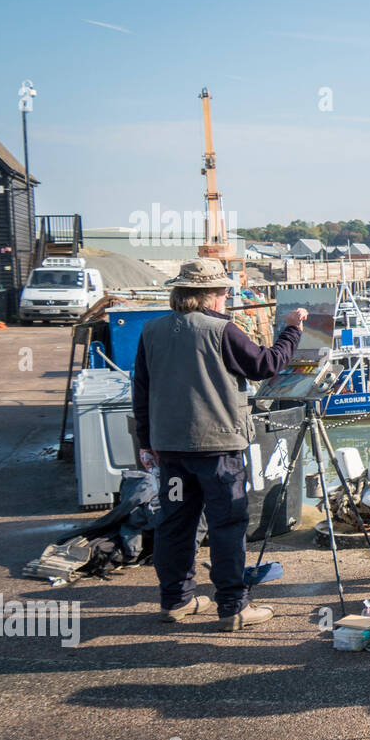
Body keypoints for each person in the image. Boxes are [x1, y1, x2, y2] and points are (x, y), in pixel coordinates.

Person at [133, 258, 307, 630]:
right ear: (209, 296)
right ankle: (233, 607)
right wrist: (293, 331)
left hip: (171, 451)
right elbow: (266, 364)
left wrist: (146, 442)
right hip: (217, 449)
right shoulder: (221, 330)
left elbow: (141, 391)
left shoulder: (151, 330)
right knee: (227, 524)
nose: (228, 296)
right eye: (224, 291)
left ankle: (176, 601)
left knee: (175, 523)